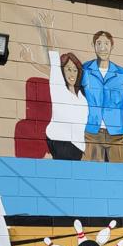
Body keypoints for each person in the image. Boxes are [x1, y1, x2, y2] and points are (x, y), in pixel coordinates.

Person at [19, 12, 87, 160]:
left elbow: (52, 71)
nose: (72, 73)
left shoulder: (81, 94)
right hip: (61, 140)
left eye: (75, 70)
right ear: (62, 71)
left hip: (78, 145)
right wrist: (49, 29)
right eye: (68, 69)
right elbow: (54, 60)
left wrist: (32, 61)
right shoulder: (59, 88)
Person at [80, 31, 123, 162]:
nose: (102, 48)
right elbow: (61, 74)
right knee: (90, 173)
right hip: (92, 131)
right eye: (98, 43)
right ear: (93, 45)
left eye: (106, 43)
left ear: (112, 46)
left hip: (116, 133)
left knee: (120, 175)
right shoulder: (85, 70)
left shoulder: (122, 73)